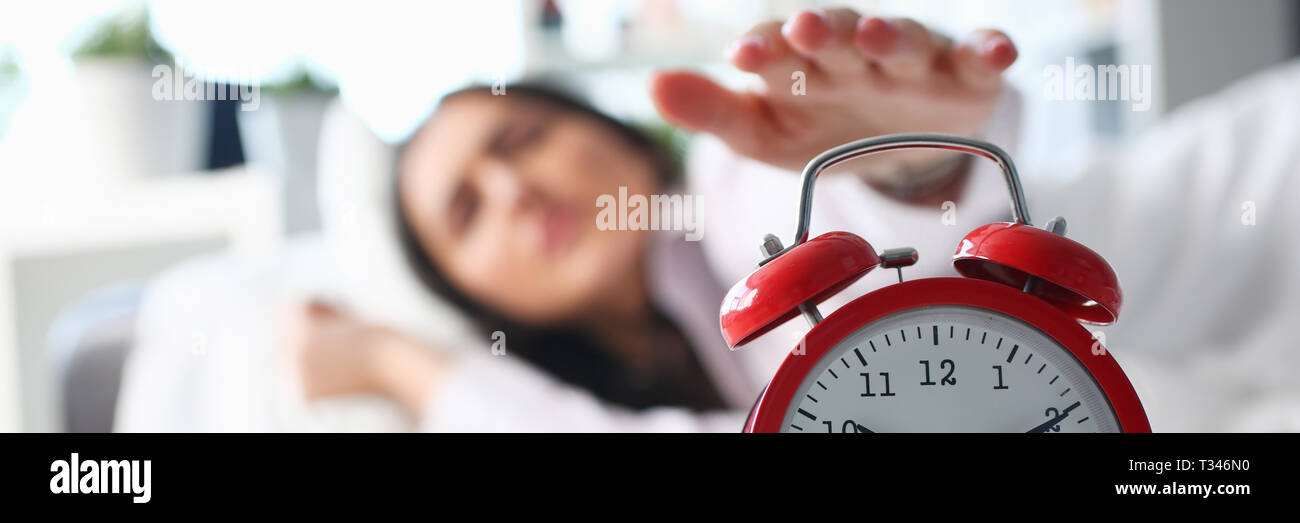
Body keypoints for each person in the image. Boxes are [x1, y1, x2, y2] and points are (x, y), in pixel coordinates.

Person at [288, 7, 1300, 432]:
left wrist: (906, 163)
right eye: (466, 212)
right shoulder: (625, 384)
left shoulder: (747, 181)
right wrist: (396, 362)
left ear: (628, 140)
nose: (516, 194)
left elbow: (902, 270)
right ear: (470, 295)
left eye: (520, 143)